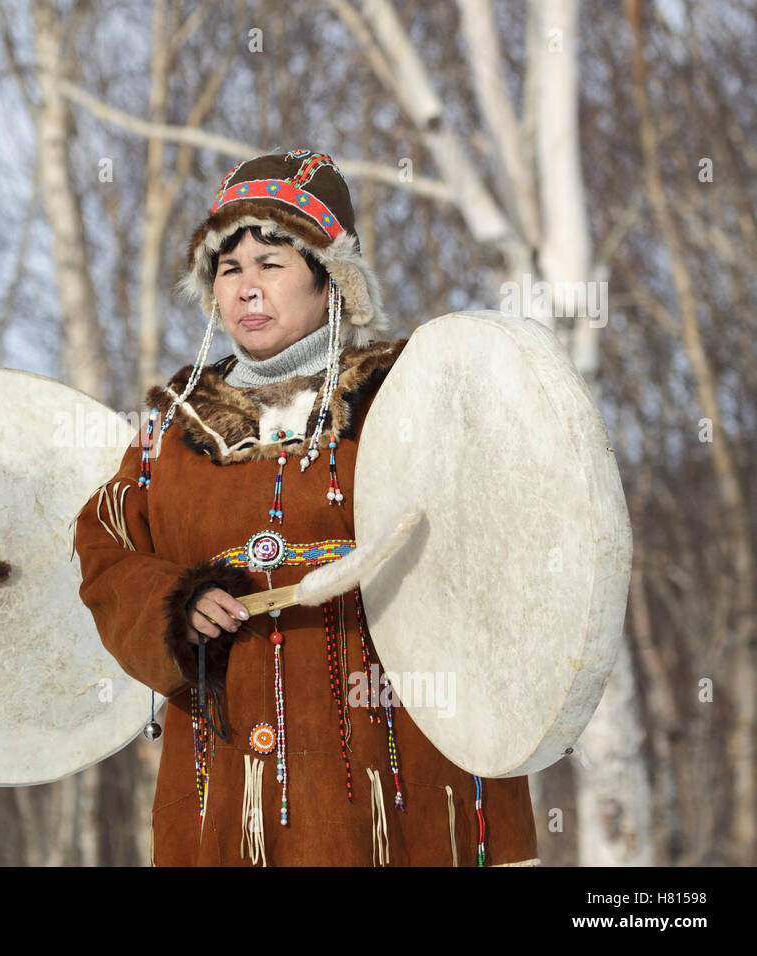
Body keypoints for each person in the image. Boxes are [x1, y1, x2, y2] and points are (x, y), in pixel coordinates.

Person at [75, 149, 539, 865]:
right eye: (228, 270)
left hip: (397, 752)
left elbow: (500, 535)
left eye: (271, 264)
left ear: (332, 280)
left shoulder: (406, 395)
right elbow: (105, 550)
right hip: (230, 767)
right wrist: (177, 604)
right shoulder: (170, 429)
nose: (246, 288)